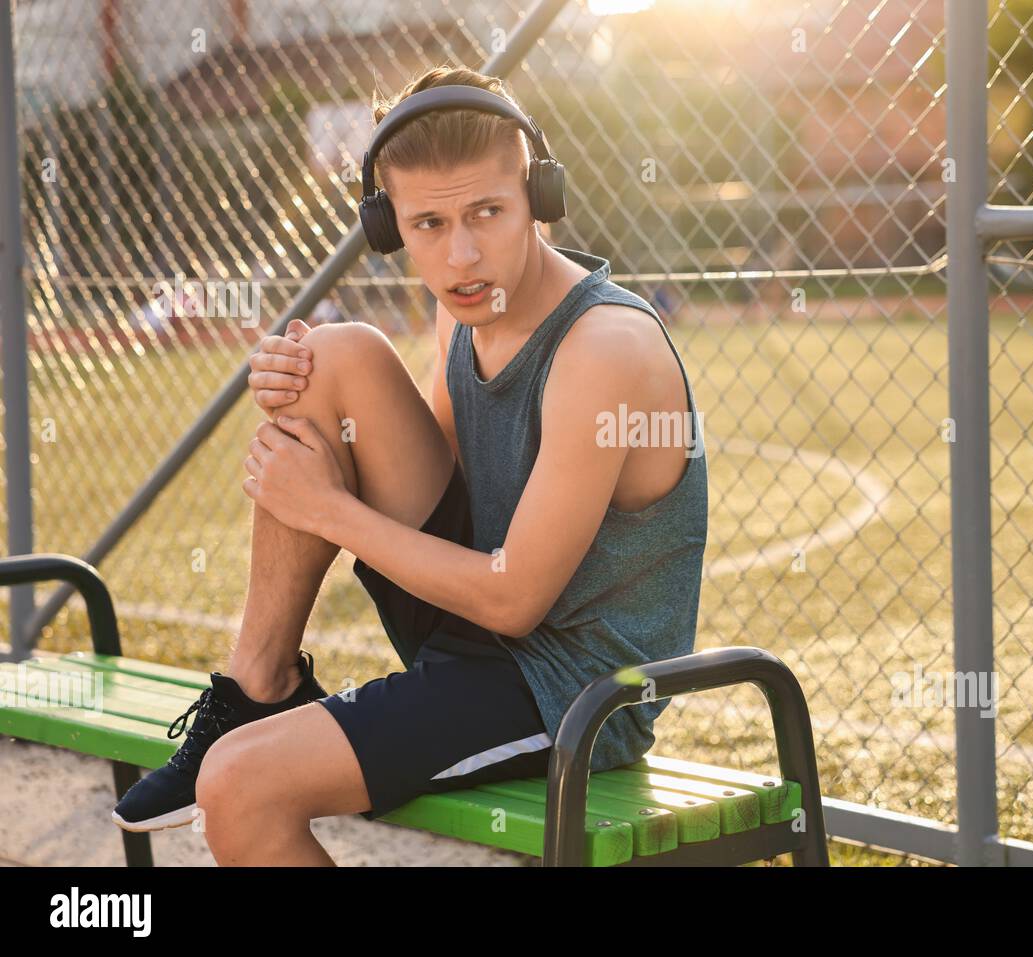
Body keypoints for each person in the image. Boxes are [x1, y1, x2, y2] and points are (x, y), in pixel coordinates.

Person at [110, 64, 709, 866]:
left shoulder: (605, 348)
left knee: (237, 789)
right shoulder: (464, 305)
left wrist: (326, 507)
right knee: (331, 355)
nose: (461, 254)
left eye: (487, 212)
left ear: (541, 197)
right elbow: (434, 477)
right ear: (391, 225)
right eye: (427, 224)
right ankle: (259, 686)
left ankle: (249, 733)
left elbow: (514, 598)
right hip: (477, 636)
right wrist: (296, 392)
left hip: (571, 692)